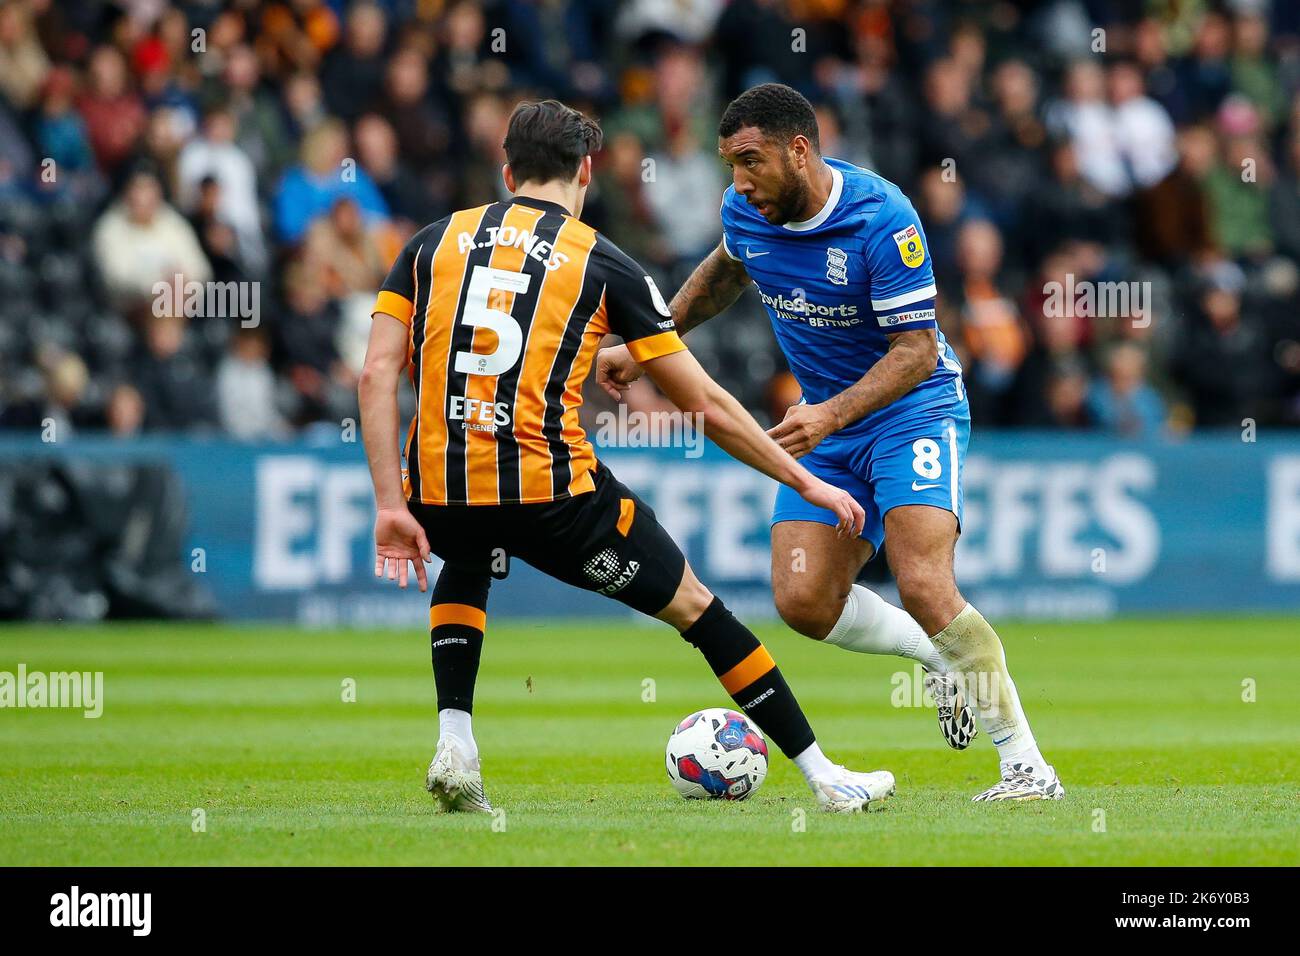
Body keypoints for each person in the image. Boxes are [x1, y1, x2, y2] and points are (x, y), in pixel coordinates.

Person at [359, 99, 894, 814]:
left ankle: (455, 740)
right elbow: (701, 403)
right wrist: (806, 480)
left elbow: (374, 374)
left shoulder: (429, 243)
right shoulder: (602, 262)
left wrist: (390, 505)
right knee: (699, 611)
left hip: (436, 488)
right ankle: (825, 774)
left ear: (507, 169)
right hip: (556, 499)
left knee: (470, 547)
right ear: (586, 170)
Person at [598, 84, 1062, 801]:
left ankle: (1028, 768)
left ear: (800, 149)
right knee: (804, 600)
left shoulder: (883, 217)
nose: (739, 181)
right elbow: (725, 272)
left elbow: (915, 349)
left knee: (923, 579)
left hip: (912, 409)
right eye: (729, 165)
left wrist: (831, 416)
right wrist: (650, 341)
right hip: (829, 422)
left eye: (749, 160)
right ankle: (938, 661)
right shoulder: (746, 212)